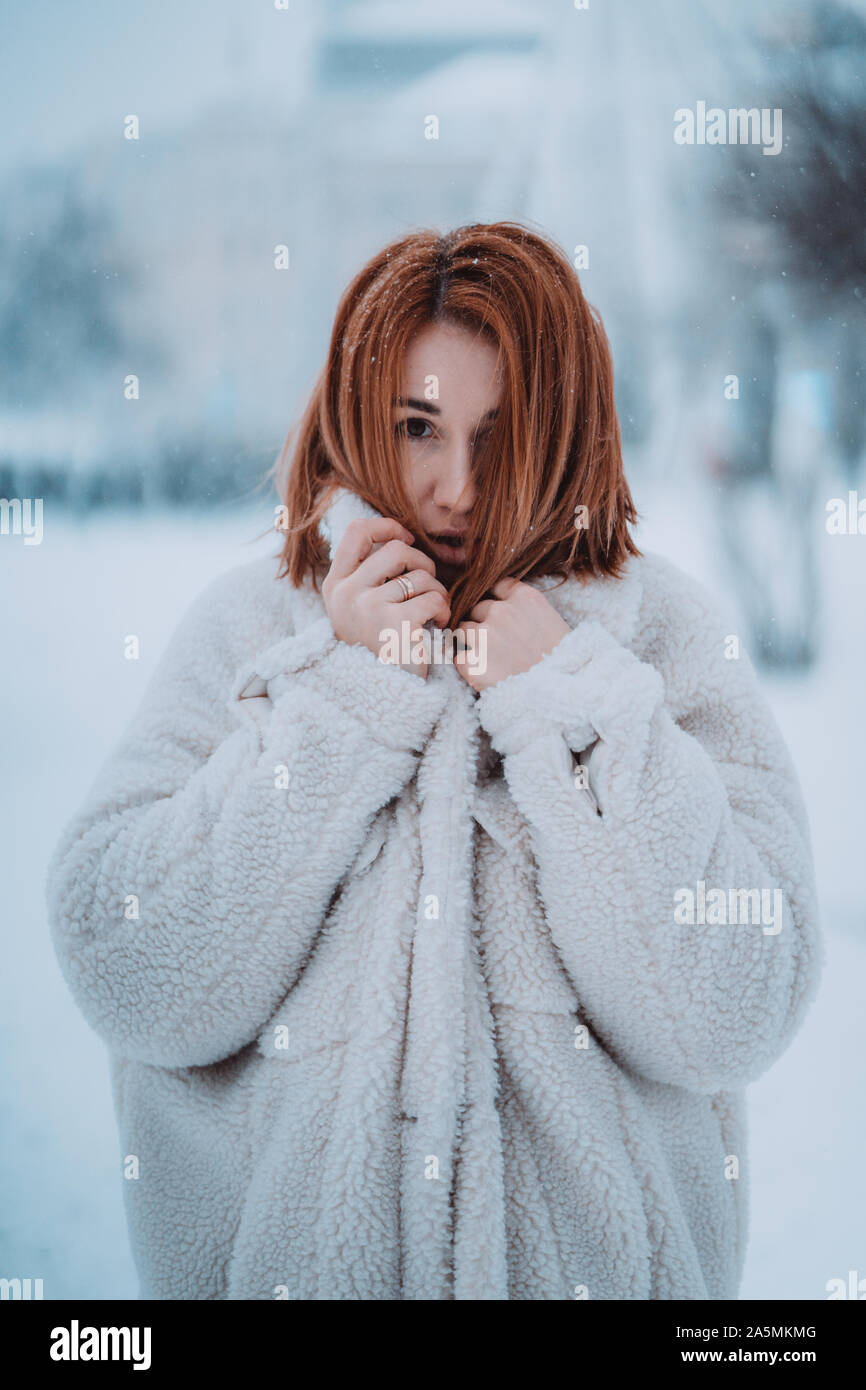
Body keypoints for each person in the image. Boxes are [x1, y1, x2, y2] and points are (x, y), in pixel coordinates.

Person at [47, 221, 822, 1300]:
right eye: (419, 426)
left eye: (498, 435)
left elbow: (734, 1008)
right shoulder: (250, 629)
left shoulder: (660, 640)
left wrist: (573, 711)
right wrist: (340, 699)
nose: (455, 486)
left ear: (562, 431)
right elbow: (126, 964)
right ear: (362, 413)